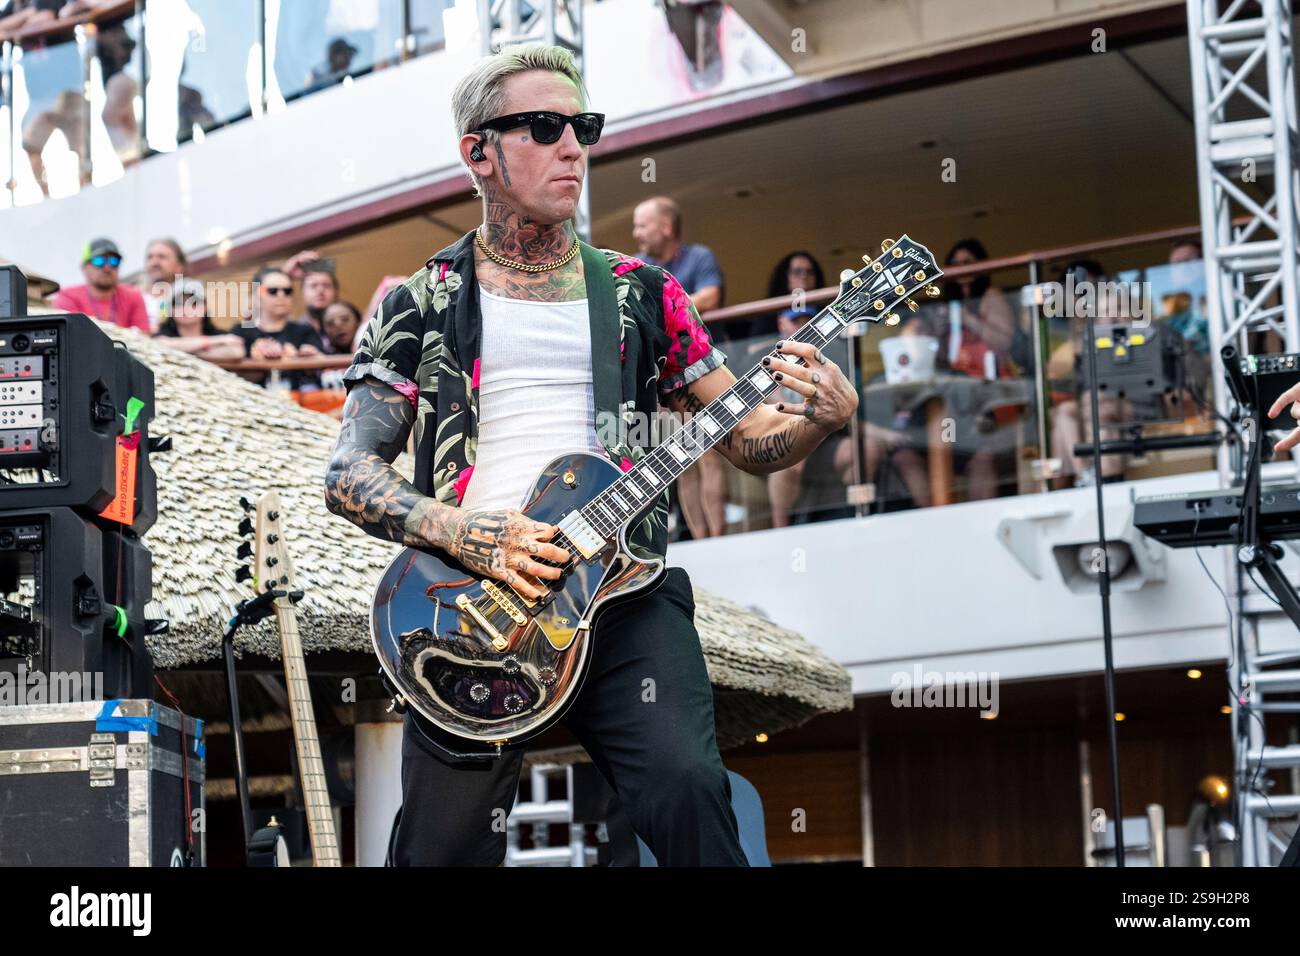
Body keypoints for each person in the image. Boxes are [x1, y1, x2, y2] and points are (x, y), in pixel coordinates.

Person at [325, 42, 858, 867]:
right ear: (479, 152)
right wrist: (476, 537)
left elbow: (748, 441)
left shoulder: (645, 292)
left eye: (584, 125)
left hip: (623, 589)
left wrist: (820, 421)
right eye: (544, 126)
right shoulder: (419, 299)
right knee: (437, 853)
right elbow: (349, 475)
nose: (574, 145)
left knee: (689, 790)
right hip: (467, 606)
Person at [632, 197, 729, 539]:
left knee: (711, 456)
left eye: (642, 225)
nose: (636, 233)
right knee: (683, 461)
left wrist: (669, 303)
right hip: (665, 379)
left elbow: (711, 296)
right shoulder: (640, 267)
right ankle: (701, 538)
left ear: (667, 227)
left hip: (705, 373)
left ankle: (718, 536)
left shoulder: (699, 257)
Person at [235, 265, 321, 390]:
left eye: (287, 291)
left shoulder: (305, 331)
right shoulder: (240, 332)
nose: (281, 295)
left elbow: (318, 369)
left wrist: (304, 357)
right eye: (272, 290)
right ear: (256, 294)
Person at [51, 237, 150, 332]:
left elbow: (143, 335)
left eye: (114, 261)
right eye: (99, 261)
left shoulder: (133, 296)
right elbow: (71, 335)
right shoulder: (68, 296)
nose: (107, 267)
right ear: (84, 267)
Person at [152, 278, 244, 361]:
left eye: (194, 303)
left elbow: (237, 352)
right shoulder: (164, 333)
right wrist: (214, 341)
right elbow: (160, 344)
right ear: (171, 309)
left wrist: (182, 348)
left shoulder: (217, 332)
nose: (186, 309)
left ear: (205, 307)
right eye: (179, 303)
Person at [283, 249, 339, 351]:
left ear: (336, 292)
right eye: (313, 286)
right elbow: (249, 318)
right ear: (302, 292)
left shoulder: (346, 326)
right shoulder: (290, 329)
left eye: (326, 286)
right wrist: (283, 275)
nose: (320, 290)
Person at [140, 237, 187, 332]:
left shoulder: (188, 293)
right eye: (150, 257)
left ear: (179, 266)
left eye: (162, 257)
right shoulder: (134, 295)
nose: (154, 262)